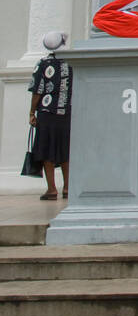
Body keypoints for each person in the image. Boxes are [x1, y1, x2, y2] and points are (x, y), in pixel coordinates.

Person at [27, 31, 73, 201]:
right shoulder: (72, 63)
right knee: (66, 149)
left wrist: (32, 112)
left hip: (46, 114)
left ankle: (52, 189)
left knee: (47, 151)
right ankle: (67, 187)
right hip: (67, 113)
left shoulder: (43, 64)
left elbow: (37, 91)